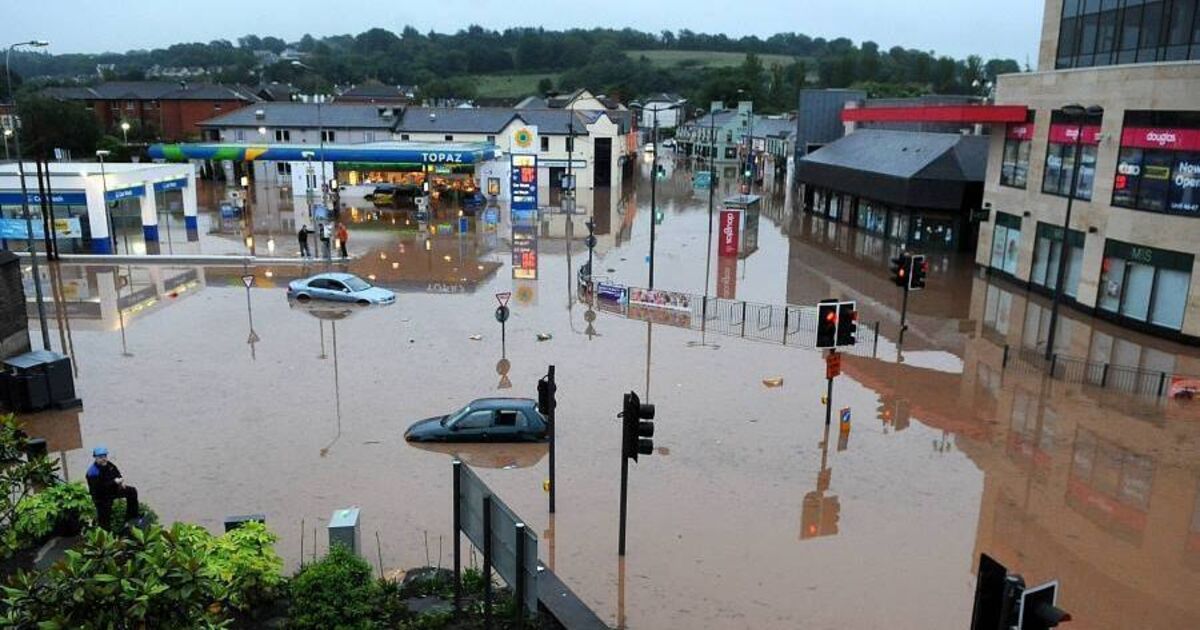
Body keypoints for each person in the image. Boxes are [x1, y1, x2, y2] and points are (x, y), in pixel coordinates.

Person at [85, 446, 139, 531]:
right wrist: (114, 482)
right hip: (101, 497)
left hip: (113, 490)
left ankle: (131, 518)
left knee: (132, 491)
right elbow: (99, 488)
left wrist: (120, 482)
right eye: (100, 457)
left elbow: (117, 473)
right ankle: (106, 535)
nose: (103, 459)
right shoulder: (92, 472)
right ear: (95, 458)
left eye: (105, 456)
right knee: (104, 519)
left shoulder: (109, 464)